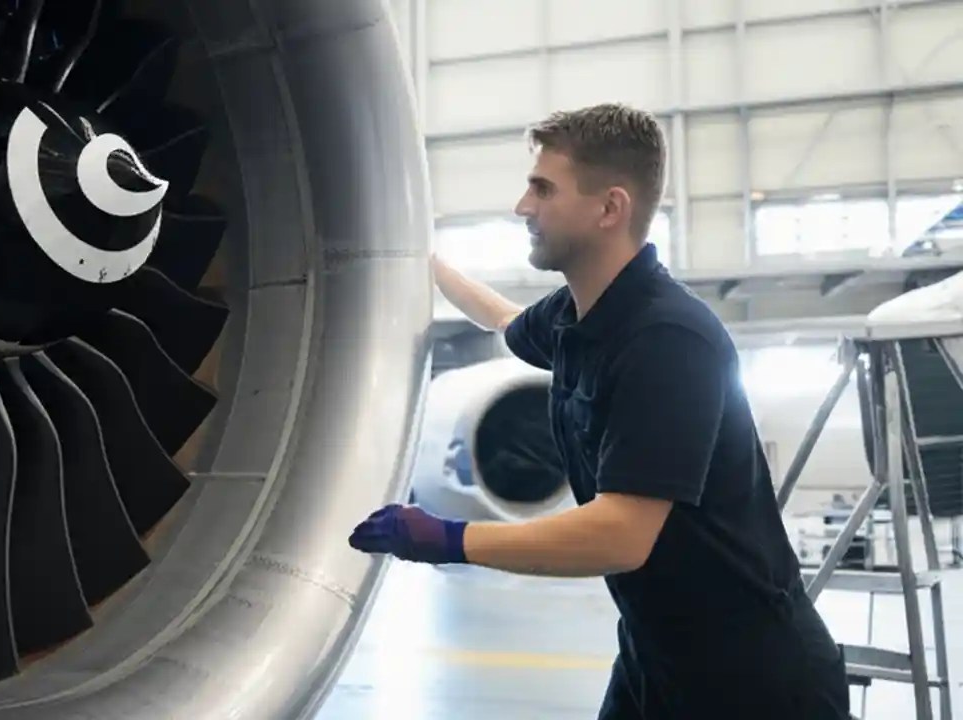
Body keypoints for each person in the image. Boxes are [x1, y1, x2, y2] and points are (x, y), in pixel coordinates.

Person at [348, 103, 852, 719]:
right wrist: (416, 265)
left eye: (542, 189)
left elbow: (621, 535)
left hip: (753, 681)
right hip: (654, 658)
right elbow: (505, 318)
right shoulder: (575, 319)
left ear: (609, 208)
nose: (522, 207)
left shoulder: (668, 338)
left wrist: (451, 539)